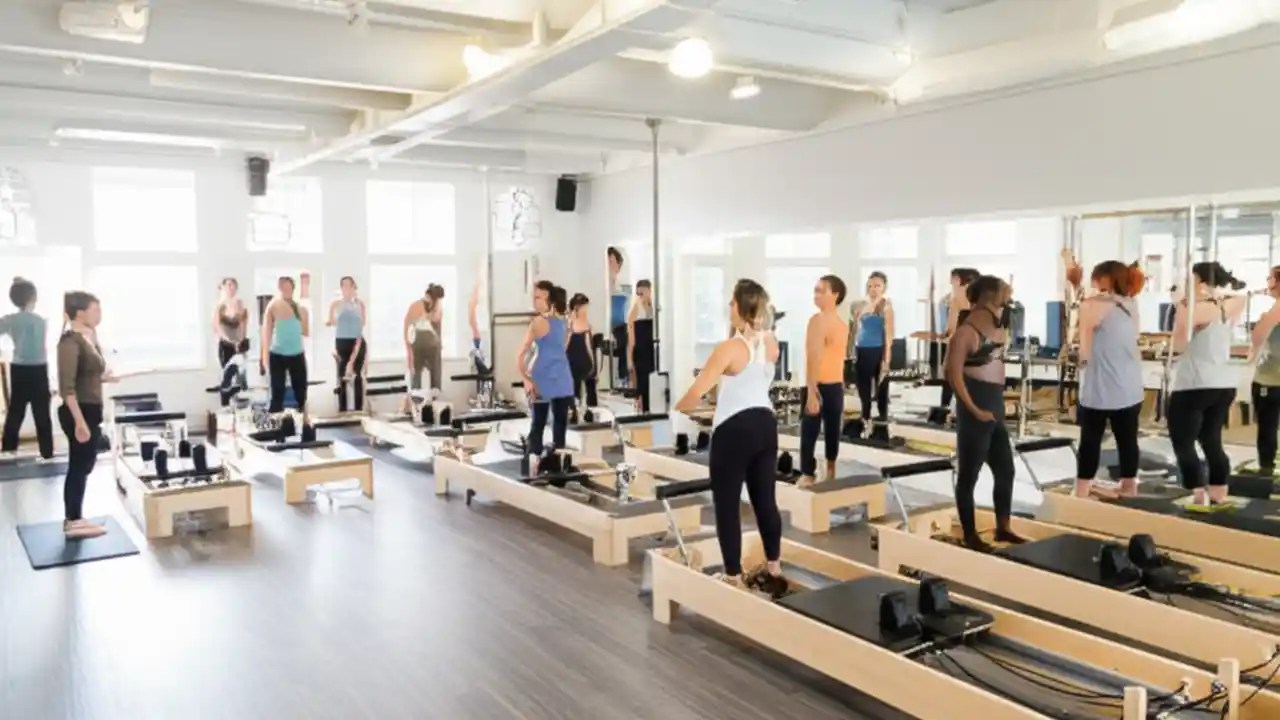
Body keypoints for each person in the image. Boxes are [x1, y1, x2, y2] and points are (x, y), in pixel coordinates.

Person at [674, 279, 787, 597]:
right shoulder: (771, 341)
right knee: (765, 500)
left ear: (739, 306)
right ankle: (774, 568)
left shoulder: (729, 349)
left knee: (726, 504)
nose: (727, 308)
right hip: (766, 425)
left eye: (730, 303)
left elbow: (697, 391)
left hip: (734, 430)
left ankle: (733, 576)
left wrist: (675, 410)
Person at [946, 275, 1022, 552]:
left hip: (994, 406)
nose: (1009, 293)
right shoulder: (966, 333)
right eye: (1004, 290)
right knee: (969, 474)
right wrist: (975, 410)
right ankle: (970, 534)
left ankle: (1003, 528)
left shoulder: (996, 328)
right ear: (990, 295)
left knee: (1006, 470)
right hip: (976, 406)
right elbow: (953, 376)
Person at [1168, 262, 1248, 506]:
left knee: (1183, 442)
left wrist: (1182, 305)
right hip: (1223, 384)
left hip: (1194, 383)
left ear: (1198, 279)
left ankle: (1196, 494)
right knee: (1211, 439)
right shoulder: (1231, 303)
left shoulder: (1190, 306)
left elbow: (1179, 344)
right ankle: (1218, 493)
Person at [1069, 258, 1146, 499]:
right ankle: (1128, 485)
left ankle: (1081, 489)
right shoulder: (1130, 304)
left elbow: (1083, 338)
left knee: (1090, 439)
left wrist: (1081, 361)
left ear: (1103, 278)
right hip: (1130, 385)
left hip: (1102, 384)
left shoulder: (1094, 304)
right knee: (1127, 439)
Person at [57, 291, 115, 539]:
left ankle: (75, 517)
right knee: (79, 466)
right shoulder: (70, 342)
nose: (99, 314)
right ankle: (73, 521)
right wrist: (79, 421)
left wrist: (105, 377)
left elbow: (89, 373)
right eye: (95, 309)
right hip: (78, 411)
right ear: (80, 313)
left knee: (85, 465)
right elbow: (66, 387)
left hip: (90, 409)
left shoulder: (88, 338)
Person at [517, 281, 574, 471]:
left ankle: (550, 464)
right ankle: (538, 464)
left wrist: (527, 376)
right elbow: (522, 354)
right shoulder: (545, 322)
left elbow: (560, 348)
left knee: (554, 424)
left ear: (549, 300)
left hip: (557, 377)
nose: (535, 301)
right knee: (542, 424)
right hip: (547, 377)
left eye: (539, 297)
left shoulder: (558, 322)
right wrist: (527, 378)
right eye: (534, 297)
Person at [799, 274, 849, 487]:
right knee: (809, 431)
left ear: (835, 295)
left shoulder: (841, 324)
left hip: (834, 384)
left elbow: (838, 358)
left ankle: (830, 469)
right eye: (815, 290)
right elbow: (813, 356)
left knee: (832, 431)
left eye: (821, 291)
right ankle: (808, 473)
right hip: (817, 384)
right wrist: (811, 390)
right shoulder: (816, 321)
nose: (816, 295)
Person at [0, 277, 52, 458]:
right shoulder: (41, 321)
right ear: (33, 298)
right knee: (42, 414)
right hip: (38, 369)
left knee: (15, 412)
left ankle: (7, 452)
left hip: (19, 369)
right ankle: (47, 453)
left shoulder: (9, 320)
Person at [260, 276, 310, 417]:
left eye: (288, 287)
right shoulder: (273, 306)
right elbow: (266, 334)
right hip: (277, 355)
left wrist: (301, 317)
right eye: (283, 287)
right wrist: (264, 359)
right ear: (279, 288)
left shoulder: (301, 309)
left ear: (293, 289)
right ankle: (275, 429)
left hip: (296, 354)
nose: (286, 290)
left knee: (301, 392)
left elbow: (305, 332)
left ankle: (303, 424)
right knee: (277, 393)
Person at [851, 272, 895, 429]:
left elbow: (889, 334)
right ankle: (865, 415)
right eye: (870, 286)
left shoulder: (886, 306)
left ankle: (882, 416)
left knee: (881, 384)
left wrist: (886, 359)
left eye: (877, 286)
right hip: (861, 348)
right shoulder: (861, 305)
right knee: (863, 385)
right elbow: (856, 329)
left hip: (878, 349)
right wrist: (850, 350)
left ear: (884, 287)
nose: (873, 289)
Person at [1249, 266, 1280, 476]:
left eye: (1269, 278)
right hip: (1270, 376)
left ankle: (1266, 472)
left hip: (1270, 380)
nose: (1267, 282)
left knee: (1267, 429)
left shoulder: (1275, 310)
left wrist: (1262, 320)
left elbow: (1257, 337)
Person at [937, 268, 980, 414]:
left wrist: (943, 337)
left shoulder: (956, 299)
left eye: (953, 279)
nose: (950, 282)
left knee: (950, 380)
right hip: (976, 345)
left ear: (959, 279)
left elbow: (951, 328)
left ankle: (944, 411)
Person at [327, 276, 366, 413]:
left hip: (357, 341)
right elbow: (331, 322)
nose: (346, 288)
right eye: (343, 285)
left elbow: (361, 326)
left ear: (354, 287)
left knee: (357, 375)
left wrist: (353, 358)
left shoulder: (360, 304)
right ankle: (342, 411)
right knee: (342, 376)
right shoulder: (336, 304)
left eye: (349, 285)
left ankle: (359, 410)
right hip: (342, 342)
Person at [404, 284, 444, 398]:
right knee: (416, 377)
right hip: (418, 346)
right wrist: (408, 351)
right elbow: (407, 327)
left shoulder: (437, 308)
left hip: (433, 346)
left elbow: (437, 321)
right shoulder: (416, 306)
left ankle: (435, 403)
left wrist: (437, 307)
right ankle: (416, 403)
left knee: (436, 378)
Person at [566, 293, 598, 413]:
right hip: (572, 362)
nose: (586, 311)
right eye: (584, 308)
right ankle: (573, 410)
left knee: (590, 387)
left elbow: (590, 347)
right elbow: (564, 344)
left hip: (586, 360)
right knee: (574, 389)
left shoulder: (588, 325)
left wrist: (594, 365)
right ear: (577, 308)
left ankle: (591, 411)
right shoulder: (569, 323)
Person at [628, 279, 656, 412]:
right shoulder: (635, 309)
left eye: (643, 292)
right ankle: (644, 411)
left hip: (652, 350)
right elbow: (631, 337)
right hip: (640, 351)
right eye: (639, 293)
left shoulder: (654, 308)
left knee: (653, 383)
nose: (641, 296)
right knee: (643, 384)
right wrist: (629, 359)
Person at [212, 277, 249, 369]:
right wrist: (230, 341)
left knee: (241, 373)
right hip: (225, 344)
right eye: (229, 285)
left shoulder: (241, 305)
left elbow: (243, 325)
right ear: (224, 287)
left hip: (239, 344)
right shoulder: (219, 307)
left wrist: (240, 340)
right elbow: (217, 327)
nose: (231, 288)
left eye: (234, 285)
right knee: (227, 372)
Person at [607, 246, 629, 384]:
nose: (608, 265)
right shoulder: (599, 285)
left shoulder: (622, 287)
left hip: (620, 327)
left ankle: (623, 379)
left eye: (611, 261)